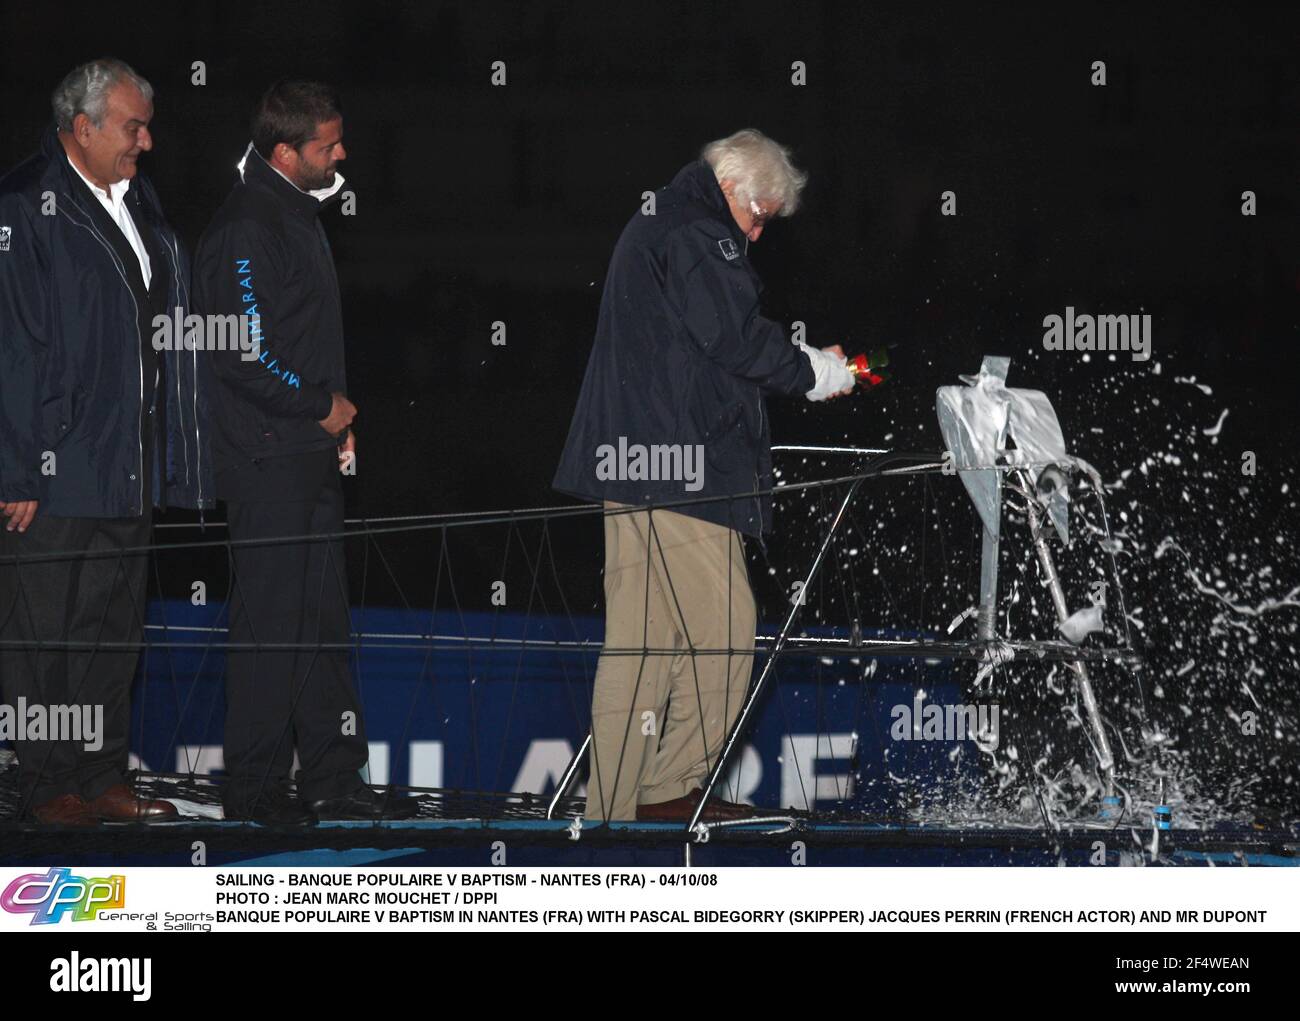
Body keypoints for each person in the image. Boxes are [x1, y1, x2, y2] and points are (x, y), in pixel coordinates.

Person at [553, 129, 855, 821]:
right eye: (759, 217)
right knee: (725, 627)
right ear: (734, 191)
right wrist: (814, 372)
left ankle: (613, 810)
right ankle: (666, 788)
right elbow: (732, 337)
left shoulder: (668, 216)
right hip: (680, 469)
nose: (756, 234)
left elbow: (704, 338)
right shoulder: (698, 229)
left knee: (643, 643)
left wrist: (800, 355)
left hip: (634, 463)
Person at [193, 80, 415, 825]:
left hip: (308, 455)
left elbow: (301, 339)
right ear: (286, 152)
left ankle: (335, 777)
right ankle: (252, 792)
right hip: (266, 460)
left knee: (323, 624)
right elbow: (242, 353)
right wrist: (322, 405)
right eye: (328, 146)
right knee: (270, 630)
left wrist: (335, 421)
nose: (342, 153)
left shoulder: (293, 212)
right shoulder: (248, 226)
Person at [0, 58, 212, 825]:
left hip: (127, 465)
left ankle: (99, 775)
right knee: (41, 635)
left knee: (112, 631)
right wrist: (17, 466)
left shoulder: (135, 198)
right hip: (54, 472)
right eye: (133, 126)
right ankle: (44, 783)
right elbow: (13, 346)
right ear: (82, 127)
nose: (147, 141)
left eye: (148, 125)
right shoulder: (27, 204)